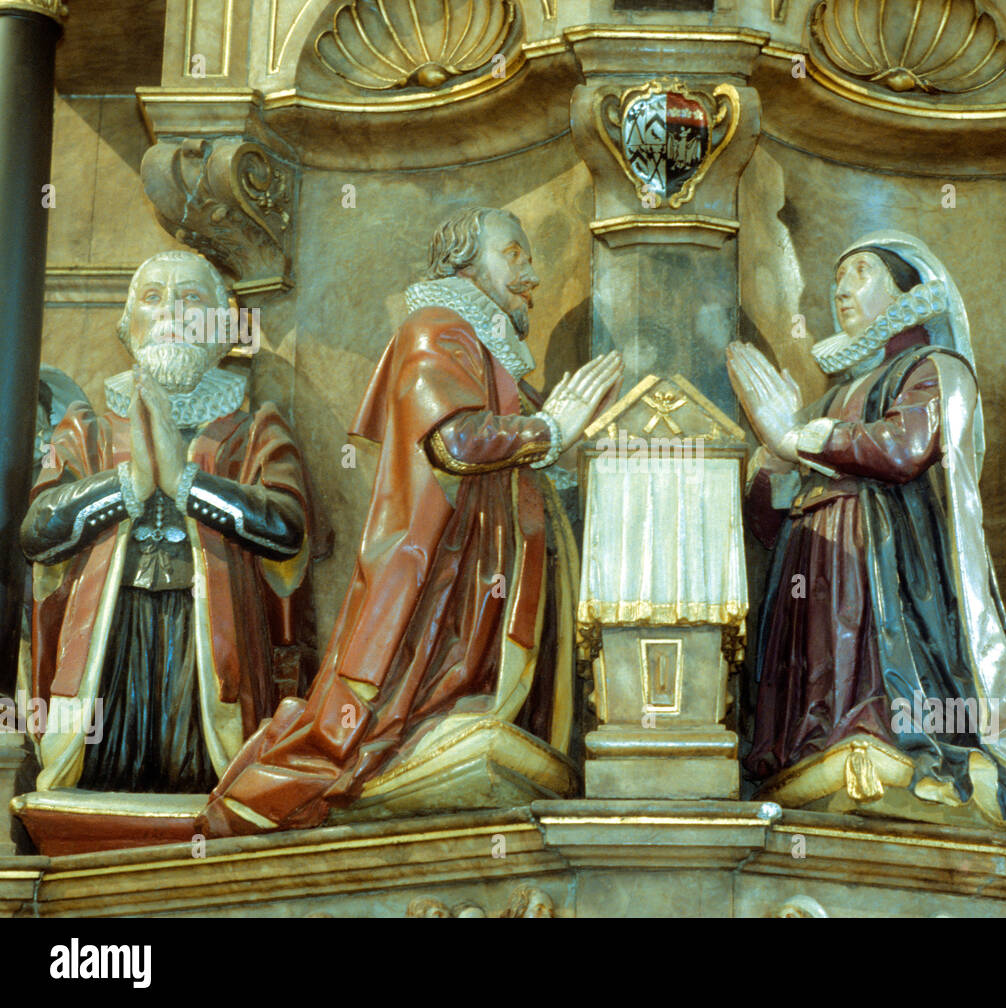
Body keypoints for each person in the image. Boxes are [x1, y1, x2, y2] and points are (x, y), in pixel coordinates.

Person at [198, 206, 622, 835]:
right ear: (463, 263)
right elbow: (453, 440)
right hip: (446, 570)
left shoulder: (486, 347)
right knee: (404, 701)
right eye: (514, 254)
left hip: (482, 570)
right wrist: (551, 428)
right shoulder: (435, 328)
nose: (531, 271)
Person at [729, 229, 1006, 836]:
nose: (840, 289)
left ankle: (876, 733)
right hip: (814, 557)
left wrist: (798, 438)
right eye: (836, 279)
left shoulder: (935, 369)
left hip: (884, 561)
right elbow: (766, 522)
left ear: (907, 285)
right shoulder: (834, 394)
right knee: (819, 665)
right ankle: (807, 743)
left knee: (868, 664)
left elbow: (907, 447)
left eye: (860, 272)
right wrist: (775, 462)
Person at [22, 251, 319, 793]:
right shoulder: (85, 431)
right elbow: (38, 531)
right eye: (153, 297)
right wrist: (128, 484)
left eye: (190, 298)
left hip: (209, 635)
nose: (171, 313)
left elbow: (286, 528)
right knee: (106, 773)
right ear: (126, 323)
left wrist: (186, 483)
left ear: (224, 327)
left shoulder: (255, 430)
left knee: (199, 774)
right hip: (109, 637)